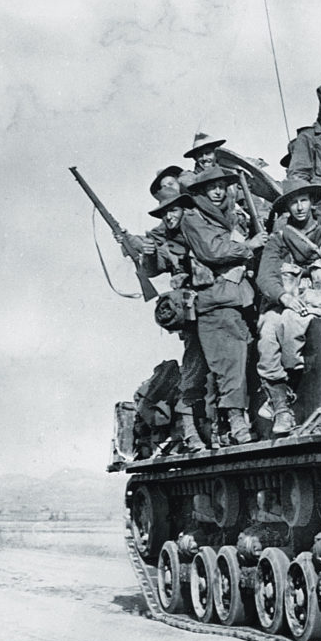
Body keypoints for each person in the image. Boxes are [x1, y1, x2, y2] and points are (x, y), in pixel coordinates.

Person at [255, 179, 321, 435]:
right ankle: (280, 406)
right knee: (269, 330)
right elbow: (265, 276)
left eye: (303, 200)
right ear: (288, 208)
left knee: (295, 322)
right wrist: (284, 297)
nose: (299, 207)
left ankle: (295, 379)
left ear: (312, 203)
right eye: (294, 202)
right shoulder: (279, 239)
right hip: (289, 300)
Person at [180, 165, 266, 445]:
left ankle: (237, 421)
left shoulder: (232, 216)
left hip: (241, 299)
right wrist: (250, 246)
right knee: (229, 364)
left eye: (221, 186)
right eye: (211, 187)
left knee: (245, 361)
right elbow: (213, 251)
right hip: (216, 302)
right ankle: (236, 422)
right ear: (201, 191)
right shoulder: (193, 218)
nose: (218, 192)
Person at [141, 188, 210, 451]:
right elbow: (152, 266)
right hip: (194, 315)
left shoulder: (204, 229)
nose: (169, 217)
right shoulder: (167, 242)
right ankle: (190, 432)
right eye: (165, 212)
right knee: (194, 370)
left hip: (220, 309)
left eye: (174, 210)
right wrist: (147, 252)